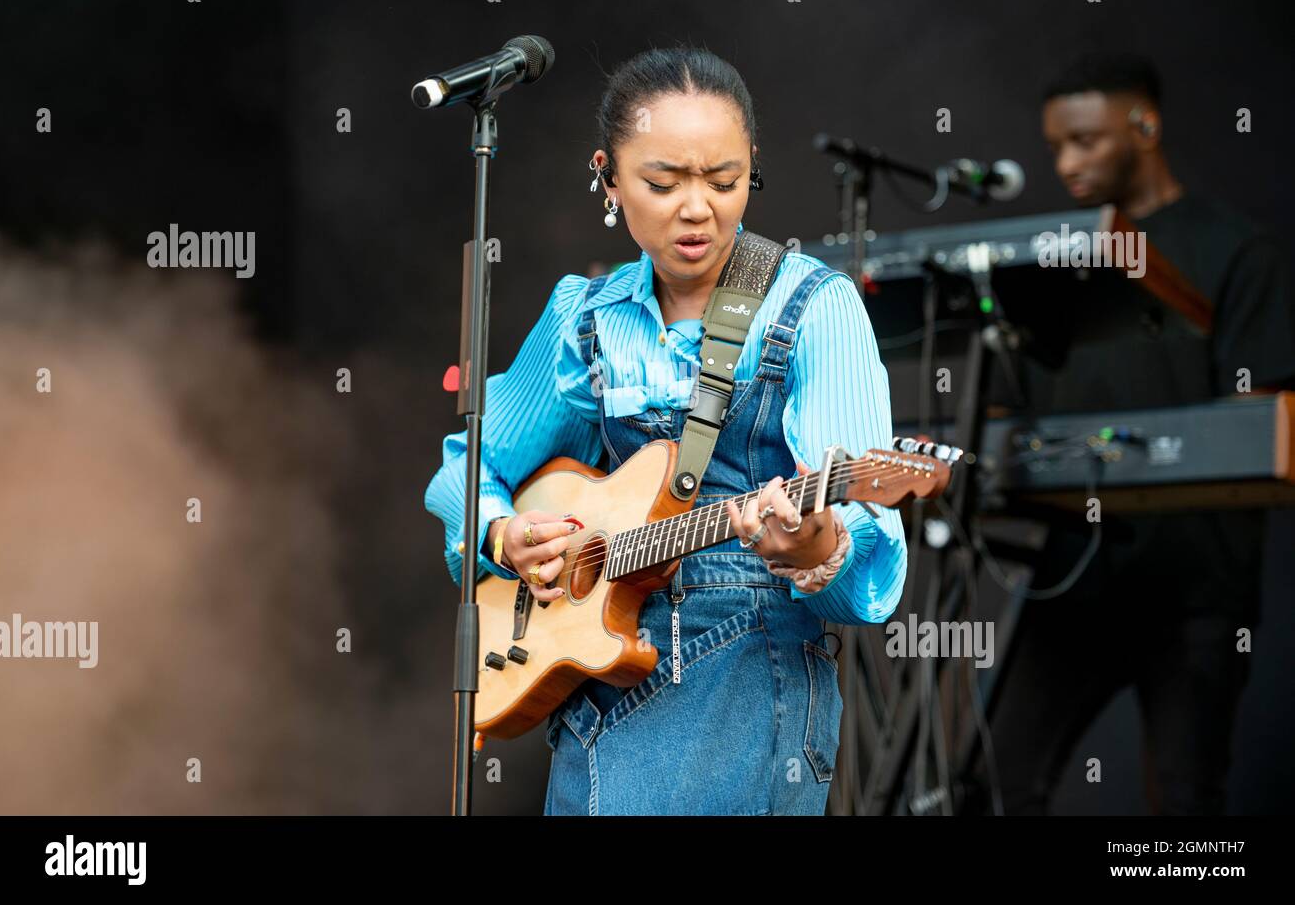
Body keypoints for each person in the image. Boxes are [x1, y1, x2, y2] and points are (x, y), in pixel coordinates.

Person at [424, 46, 907, 815]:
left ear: (752, 169)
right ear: (608, 178)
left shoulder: (815, 306)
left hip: (746, 690)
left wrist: (816, 544)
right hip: (595, 698)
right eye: (662, 182)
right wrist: (503, 535)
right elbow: (469, 467)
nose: (698, 208)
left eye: (724, 180)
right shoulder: (585, 316)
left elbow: (865, 552)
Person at [979, 53, 1295, 815]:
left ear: (1145, 127)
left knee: (1184, 807)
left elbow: (1261, 427)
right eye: (1056, 146)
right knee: (992, 784)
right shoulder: (1052, 265)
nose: (1066, 163)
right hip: (1074, 579)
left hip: (1197, 589)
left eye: (1085, 141)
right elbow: (1004, 421)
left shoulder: (1235, 251)